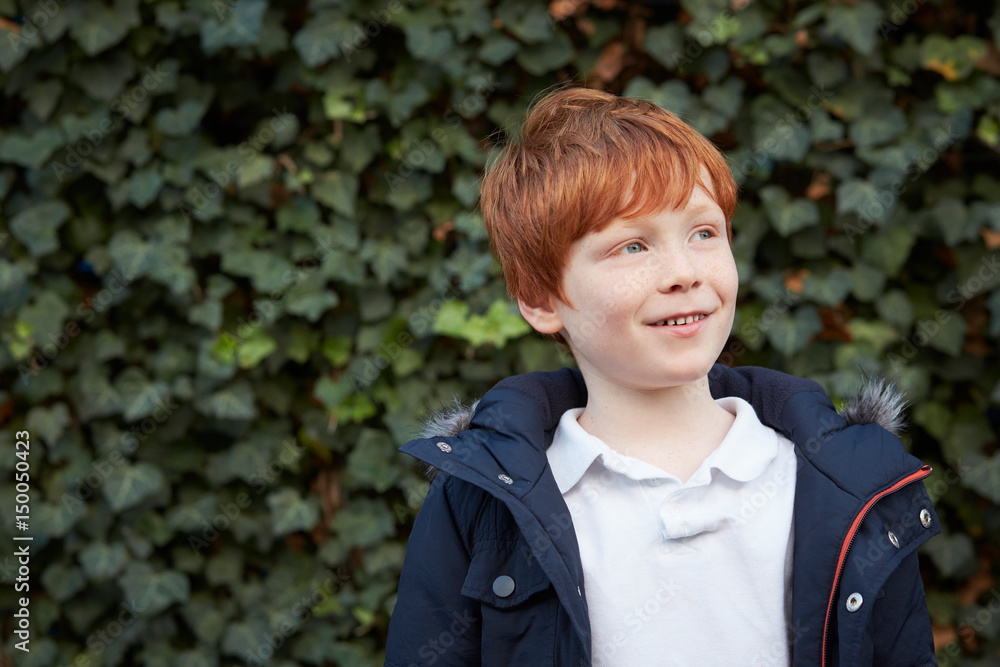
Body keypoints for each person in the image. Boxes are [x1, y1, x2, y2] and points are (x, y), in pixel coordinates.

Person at [384, 84, 941, 666]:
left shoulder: (849, 484)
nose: (683, 272)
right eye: (631, 246)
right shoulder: (482, 501)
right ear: (542, 299)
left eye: (704, 233)